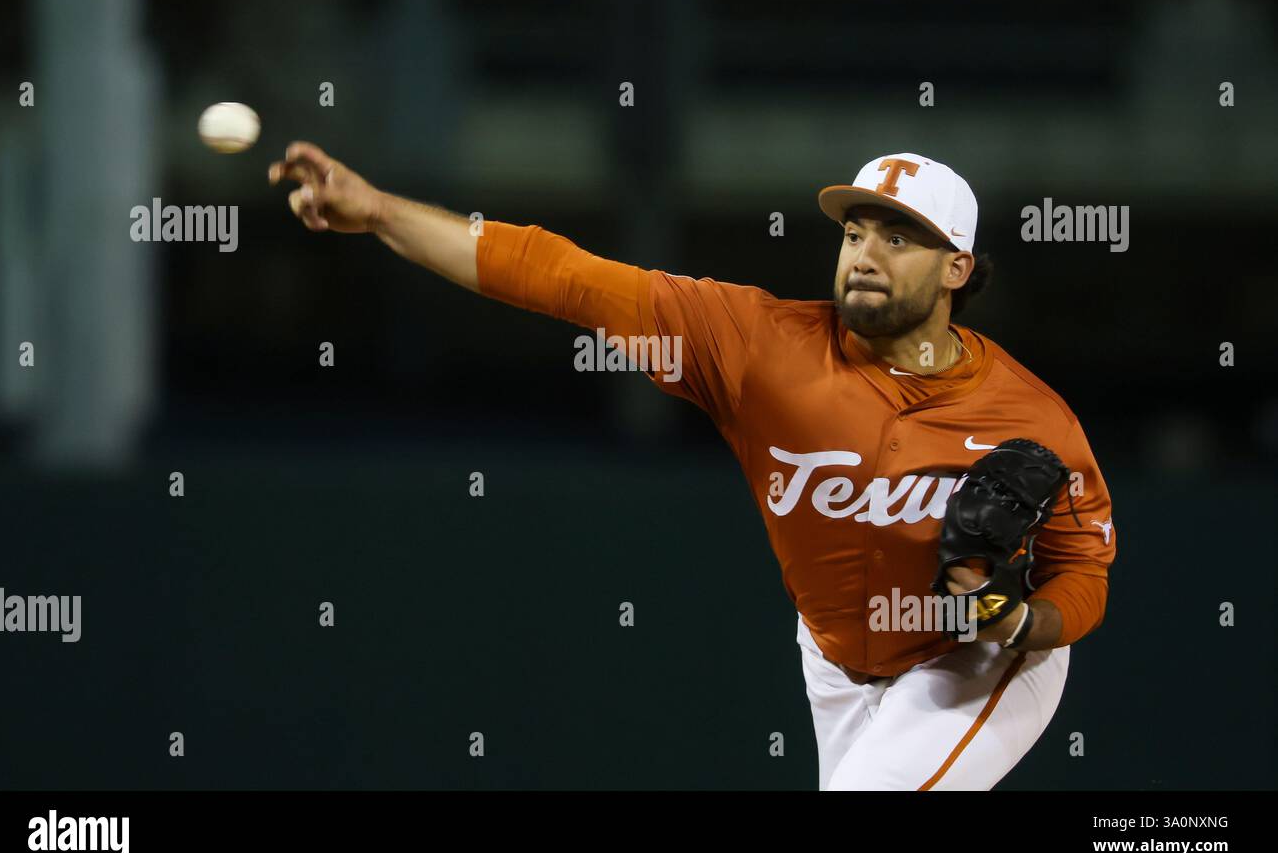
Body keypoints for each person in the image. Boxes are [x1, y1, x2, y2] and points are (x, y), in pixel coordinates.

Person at [269, 146, 1116, 790]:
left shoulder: (1029, 413)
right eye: (855, 231)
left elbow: (1085, 572)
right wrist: (378, 211)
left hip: (973, 658)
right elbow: (561, 275)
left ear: (956, 269)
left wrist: (1015, 623)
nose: (864, 253)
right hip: (833, 658)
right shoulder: (754, 344)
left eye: (899, 237)